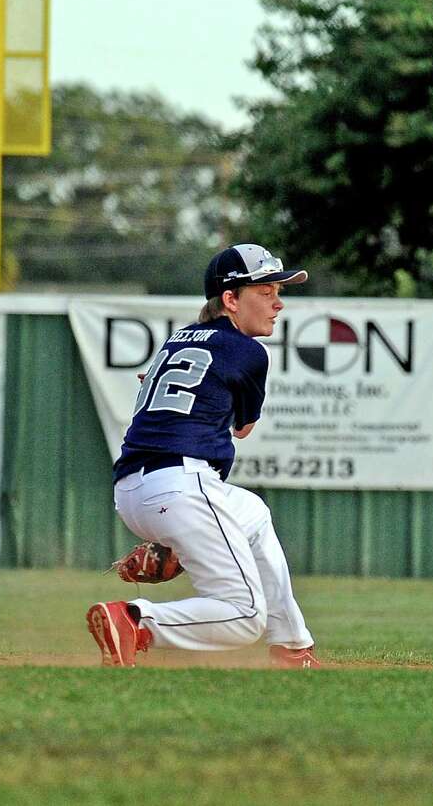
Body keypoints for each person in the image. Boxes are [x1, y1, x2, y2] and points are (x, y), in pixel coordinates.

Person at [87, 244, 320, 669]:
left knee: (253, 515)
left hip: (134, 489)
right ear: (230, 299)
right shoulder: (249, 351)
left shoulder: (177, 340)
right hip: (181, 485)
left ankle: (292, 646)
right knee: (245, 615)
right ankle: (136, 621)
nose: (278, 302)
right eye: (266, 291)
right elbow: (242, 428)